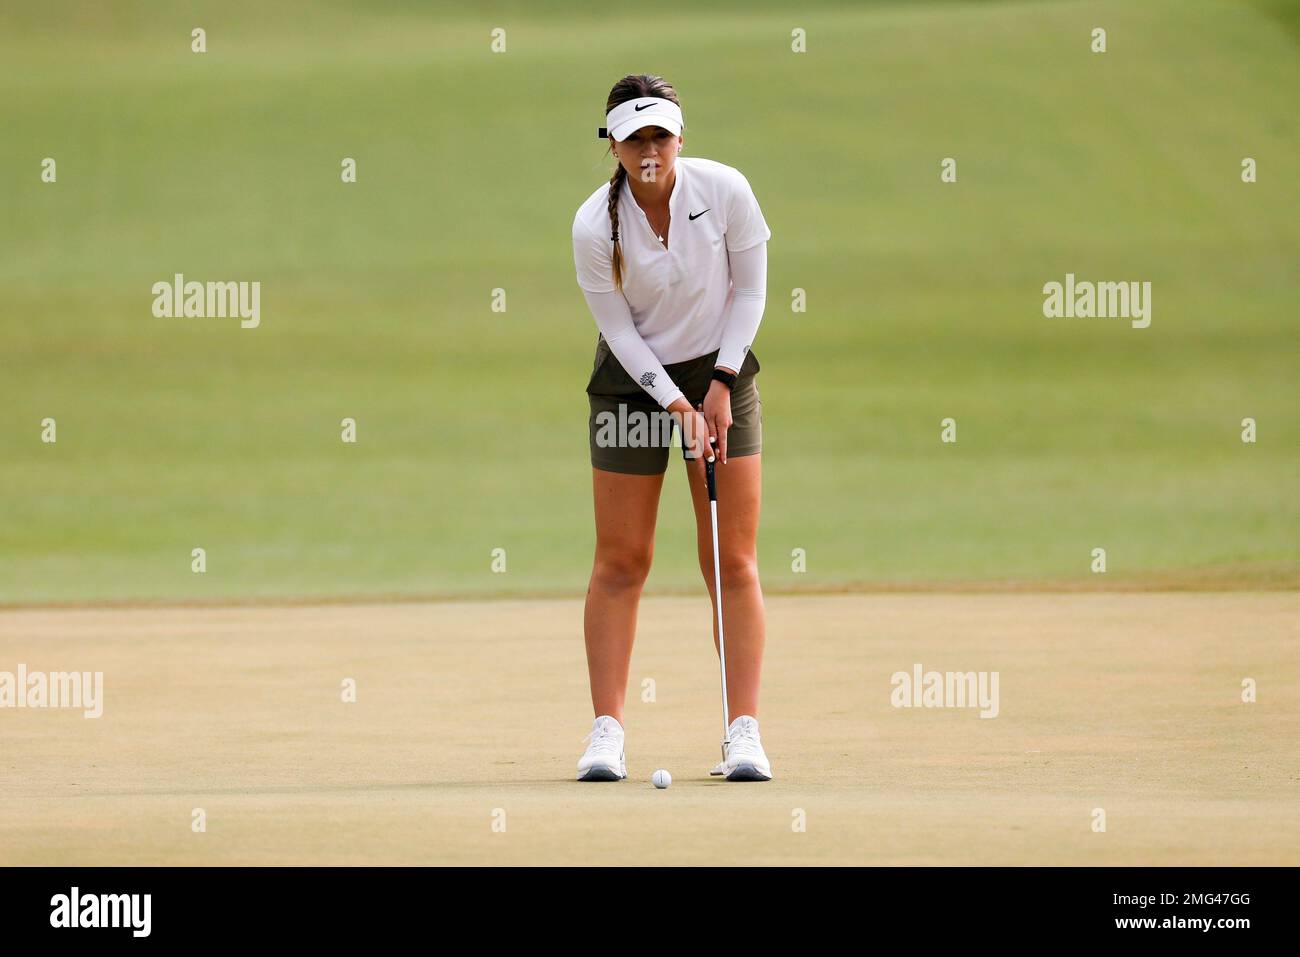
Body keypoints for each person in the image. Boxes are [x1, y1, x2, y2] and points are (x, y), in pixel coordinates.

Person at [570, 74, 774, 782]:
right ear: (615, 145)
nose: (649, 148)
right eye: (634, 137)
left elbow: (750, 289)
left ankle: (743, 731)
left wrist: (717, 385)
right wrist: (674, 404)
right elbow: (620, 334)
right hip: (633, 387)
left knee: (731, 557)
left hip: (721, 376)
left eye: (660, 134)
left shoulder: (725, 192)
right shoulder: (596, 224)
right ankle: (606, 732)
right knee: (623, 557)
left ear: (680, 137)